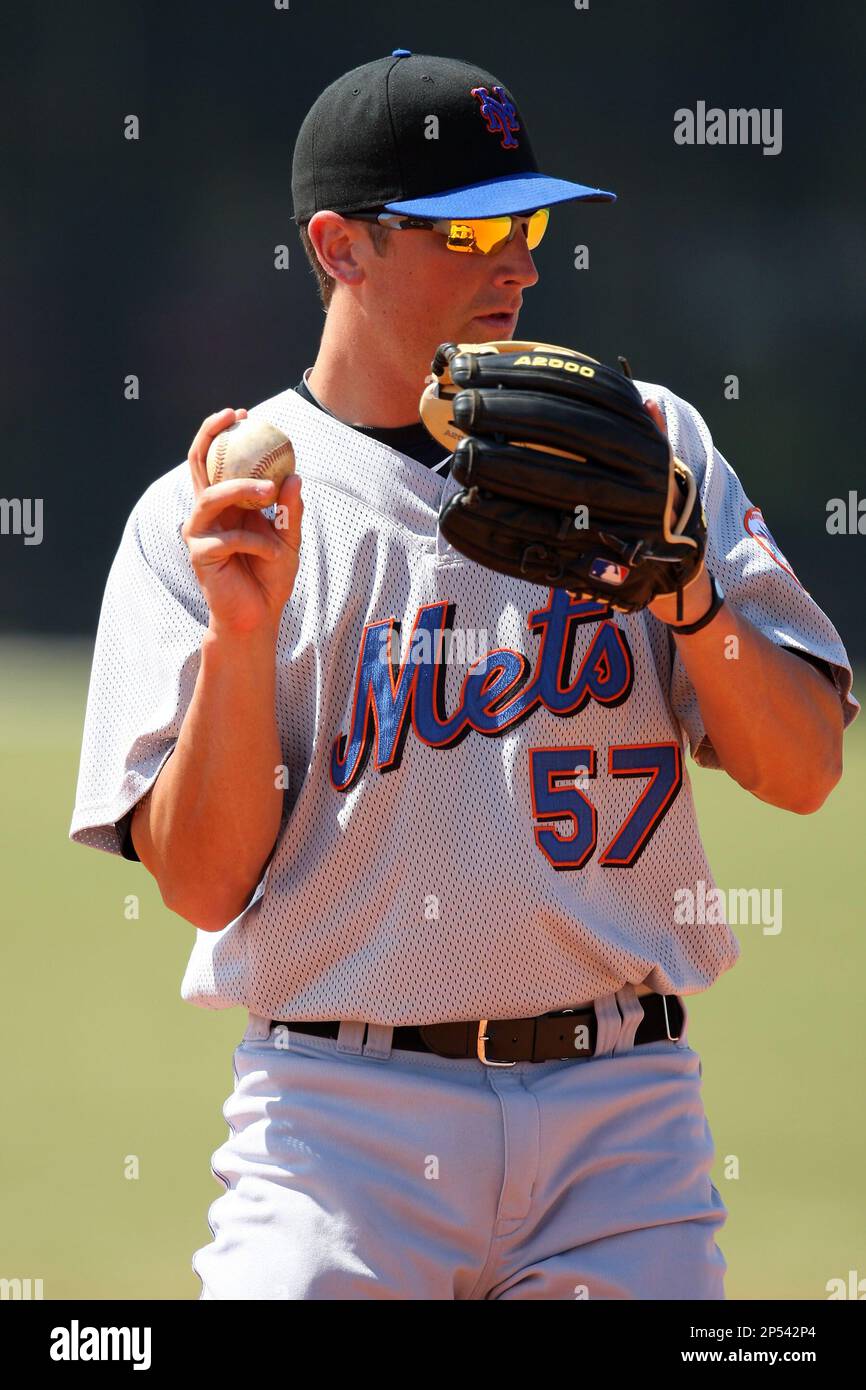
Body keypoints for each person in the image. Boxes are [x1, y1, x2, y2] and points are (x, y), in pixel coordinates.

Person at [70, 50, 858, 1300]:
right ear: (338, 248)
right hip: (339, 1127)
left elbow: (807, 769)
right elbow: (204, 882)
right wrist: (239, 633)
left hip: (622, 1123)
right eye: (470, 227)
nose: (521, 261)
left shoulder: (643, 444)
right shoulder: (213, 510)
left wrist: (688, 592)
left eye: (529, 219)